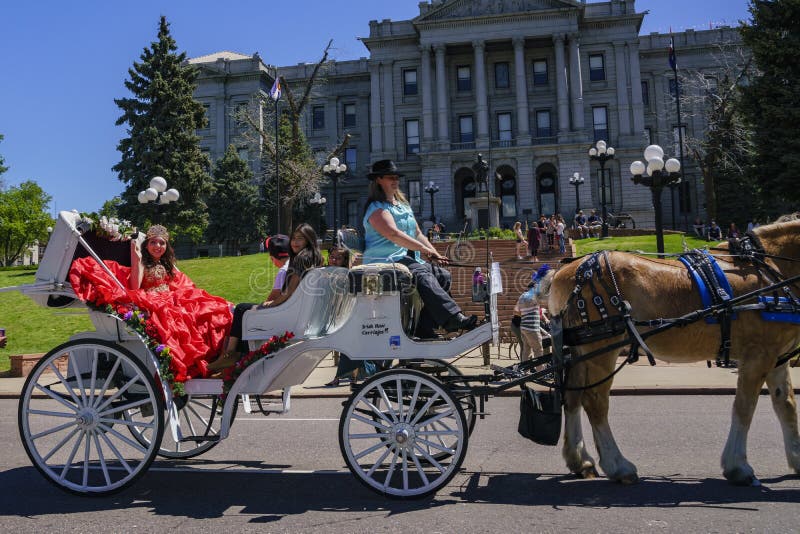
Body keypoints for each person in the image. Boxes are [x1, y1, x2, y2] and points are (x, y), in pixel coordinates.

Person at [69, 225, 233, 380]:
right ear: (146, 245)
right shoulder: (142, 262)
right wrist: (136, 257)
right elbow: (135, 287)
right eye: (153, 242)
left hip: (171, 298)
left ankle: (221, 357)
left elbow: (177, 283)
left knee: (213, 310)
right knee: (182, 318)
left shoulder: (165, 264)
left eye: (162, 243)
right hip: (154, 300)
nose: (158, 246)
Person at [363, 159, 477, 339]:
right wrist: (425, 250)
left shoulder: (403, 206)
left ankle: (424, 327)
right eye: (390, 177)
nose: (395, 181)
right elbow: (394, 234)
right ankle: (452, 318)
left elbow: (417, 233)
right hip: (385, 260)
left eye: (397, 177)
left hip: (406, 259)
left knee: (443, 276)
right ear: (378, 180)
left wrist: (435, 253)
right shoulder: (376, 208)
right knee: (422, 274)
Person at [209, 224, 323, 370]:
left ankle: (230, 354)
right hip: (302, 314)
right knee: (247, 313)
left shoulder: (301, 259)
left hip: (290, 314)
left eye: (300, 239)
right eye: (293, 238)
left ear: (308, 240)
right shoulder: (315, 258)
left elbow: (289, 290)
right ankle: (234, 359)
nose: (295, 242)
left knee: (241, 309)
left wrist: (274, 303)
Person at [515, 265, 551, 366]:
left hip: (523, 327)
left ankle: (523, 370)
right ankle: (540, 371)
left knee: (526, 350)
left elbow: (517, 311)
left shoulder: (522, 296)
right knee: (538, 350)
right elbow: (545, 300)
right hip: (532, 329)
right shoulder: (534, 296)